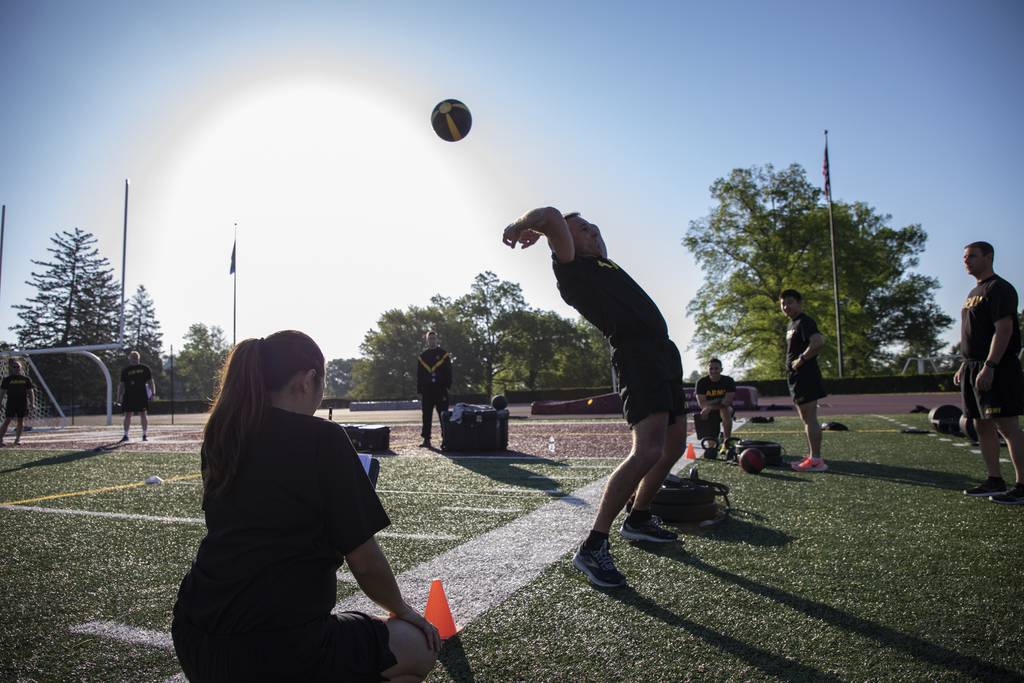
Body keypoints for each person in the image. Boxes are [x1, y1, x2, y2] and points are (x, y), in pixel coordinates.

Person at [172, 330, 440, 682]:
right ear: (307, 380)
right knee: (418, 647)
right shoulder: (323, 438)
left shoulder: (223, 436)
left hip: (195, 636)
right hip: (276, 647)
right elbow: (365, 561)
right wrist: (404, 611)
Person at [503, 207, 687, 588]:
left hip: (663, 354)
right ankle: (593, 546)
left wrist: (572, 230)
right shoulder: (571, 271)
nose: (593, 231)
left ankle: (638, 519)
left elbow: (574, 229)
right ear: (565, 242)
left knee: (673, 447)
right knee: (648, 451)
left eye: (592, 227)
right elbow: (552, 216)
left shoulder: (605, 265)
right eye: (582, 230)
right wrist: (525, 226)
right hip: (637, 356)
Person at [955, 241, 1024, 504]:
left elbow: (1003, 329)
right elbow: (972, 333)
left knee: (1007, 426)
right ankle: (994, 479)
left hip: (997, 367)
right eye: (964, 257)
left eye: (972, 256)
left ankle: (1022, 484)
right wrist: (966, 363)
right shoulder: (974, 291)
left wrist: (990, 365)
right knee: (980, 424)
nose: (966, 261)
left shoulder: (999, 288)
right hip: (973, 367)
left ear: (988, 257)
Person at [779, 289, 828, 472]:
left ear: (800, 303)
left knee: (810, 418)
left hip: (806, 376)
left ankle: (816, 460)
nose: (786, 306)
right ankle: (811, 457)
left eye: (790, 302)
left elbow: (818, 341)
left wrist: (801, 360)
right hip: (796, 377)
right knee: (806, 419)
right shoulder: (792, 324)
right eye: (783, 304)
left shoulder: (804, 321)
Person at [416, 331, 452, 448]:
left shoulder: (444, 354)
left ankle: (446, 439)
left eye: (434, 338)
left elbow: (448, 371)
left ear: (437, 340)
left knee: (443, 415)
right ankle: (426, 439)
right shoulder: (423, 356)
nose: (432, 340)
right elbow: (419, 375)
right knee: (426, 415)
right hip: (427, 390)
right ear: (427, 341)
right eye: (430, 339)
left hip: (440, 389)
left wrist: (447, 386)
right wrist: (419, 390)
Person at [694, 358, 736, 445]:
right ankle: (712, 440)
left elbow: (726, 402)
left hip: (725, 409)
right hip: (709, 411)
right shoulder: (701, 382)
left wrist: (710, 405)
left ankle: (727, 440)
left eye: (716, 368)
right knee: (711, 445)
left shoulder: (728, 381)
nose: (713, 371)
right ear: (707, 370)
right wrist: (718, 400)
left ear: (721, 369)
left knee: (725, 410)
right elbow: (702, 404)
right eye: (711, 368)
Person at [117, 351, 155, 442]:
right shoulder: (125, 370)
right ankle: (125, 435)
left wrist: (153, 393)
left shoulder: (145, 368)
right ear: (129, 358)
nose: (134, 359)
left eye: (136, 357)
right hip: (129, 395)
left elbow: (150, 381)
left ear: (139, 358)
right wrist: (119, 396)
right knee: (128, 415)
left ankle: (144, 434)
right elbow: (121, 384)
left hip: (141, 394)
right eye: (132, 357)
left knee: (143, 414)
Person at [0, 360, 35, 447]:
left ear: (21, 368)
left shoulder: (26, 379)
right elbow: (2, 392)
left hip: (22, 403)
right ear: (11, 368)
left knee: (20, 421)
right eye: (14, 367)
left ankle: (17, 439)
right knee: (7, 420)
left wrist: (32, 403)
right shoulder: (7, 380)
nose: (16, 368)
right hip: (11, 403)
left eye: (18, 367)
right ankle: (0, 439)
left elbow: (31, 392)